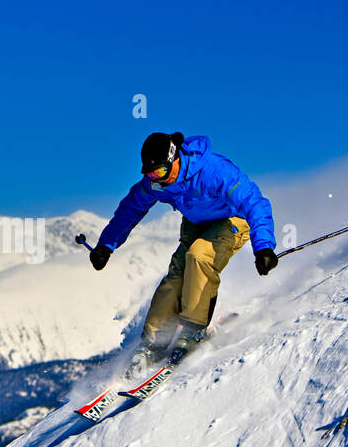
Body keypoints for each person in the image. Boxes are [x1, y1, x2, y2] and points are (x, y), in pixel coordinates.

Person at [89, 131, 279, 375]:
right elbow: (130, 210)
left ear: (174, 159)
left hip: (232, 219)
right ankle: (153, 342)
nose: (155, 179)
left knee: (198, 256)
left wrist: (263, 246)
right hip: (196, 221)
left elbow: (254, 201)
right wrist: (106, 245)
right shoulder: (157, 183)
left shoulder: (213, 171)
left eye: (158, 172)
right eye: (149, 174)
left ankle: (193, 329)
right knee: (177, 271)